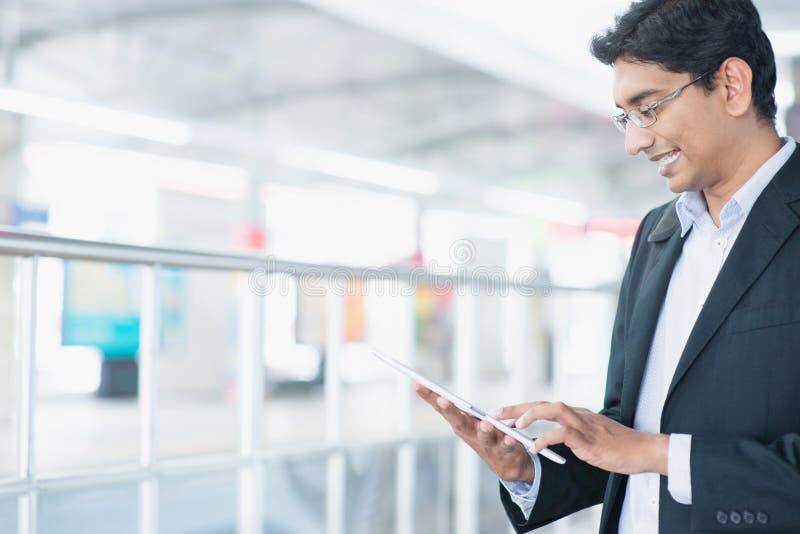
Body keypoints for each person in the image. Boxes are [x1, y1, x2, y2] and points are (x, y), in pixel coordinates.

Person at [415, 0, 800, 532]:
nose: (634, 141)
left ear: (732, 85)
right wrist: (529, 470)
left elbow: (641, 448)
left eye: (650, 108)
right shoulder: (657, 233)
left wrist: (656, 453)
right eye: (626, 117)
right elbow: (625, 432)